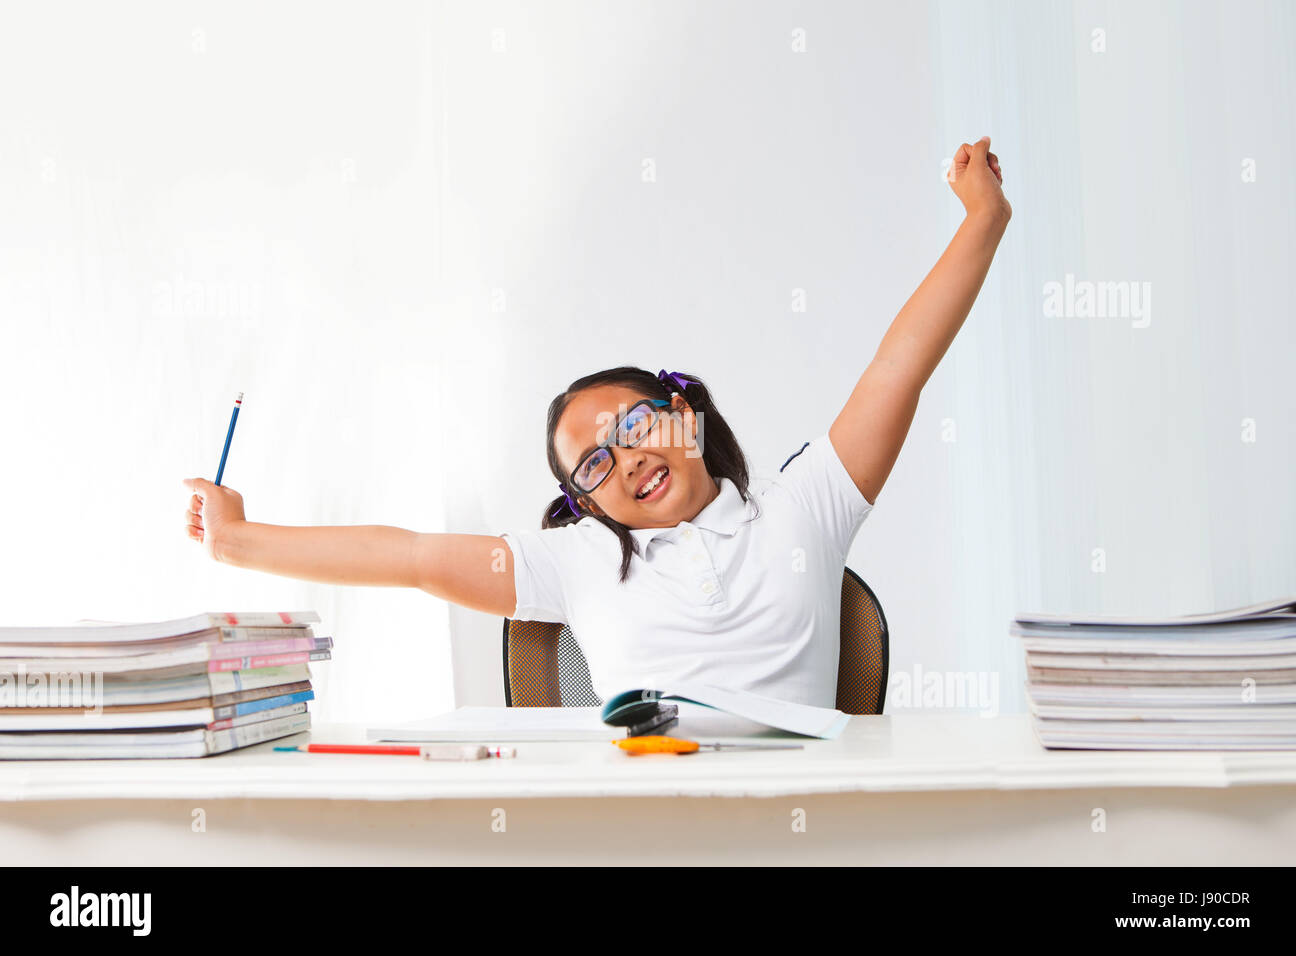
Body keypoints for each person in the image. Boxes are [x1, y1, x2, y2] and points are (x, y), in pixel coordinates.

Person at [184, 137, 1011, 707]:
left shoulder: (806, 509)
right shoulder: (575, 562)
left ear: (682, 414)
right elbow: (408, 556)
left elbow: (898, 365)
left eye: (633, 426)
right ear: (588, 504)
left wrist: (982, 220)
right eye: (591, 468)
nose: (621, 463)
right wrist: (240, 541)